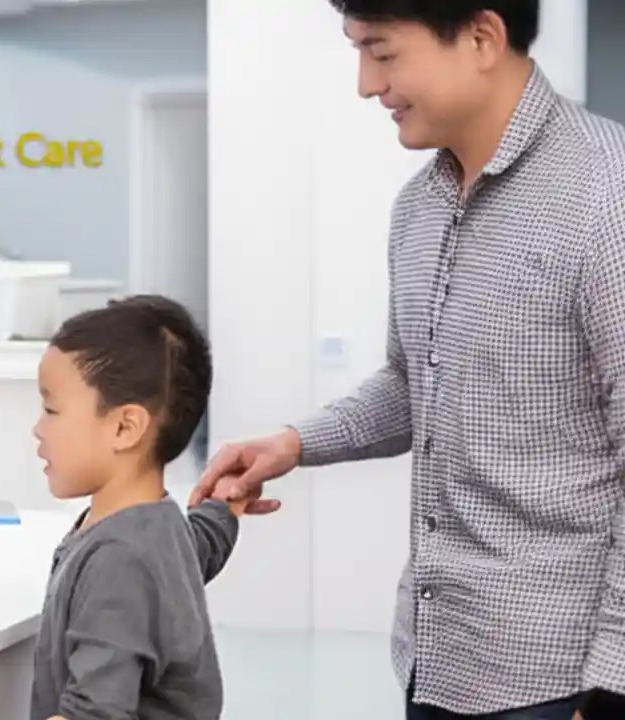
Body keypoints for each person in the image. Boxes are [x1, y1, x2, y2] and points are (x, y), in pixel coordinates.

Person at [192, 1, 625, 718]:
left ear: (482, 37)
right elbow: (412, 382)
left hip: (561, 678)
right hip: (436, 655)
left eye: (383, 53)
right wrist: (294, 444)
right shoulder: (418, 208)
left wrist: (613, 688)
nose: (365, 83)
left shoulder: (607, 195)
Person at [30, 295, 245, 720]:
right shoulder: (161, 528)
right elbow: (204, 544)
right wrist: (225, 505)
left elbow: (93, 714)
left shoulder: (120, 560)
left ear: (125, 427)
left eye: (52, 410)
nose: (38, 429)